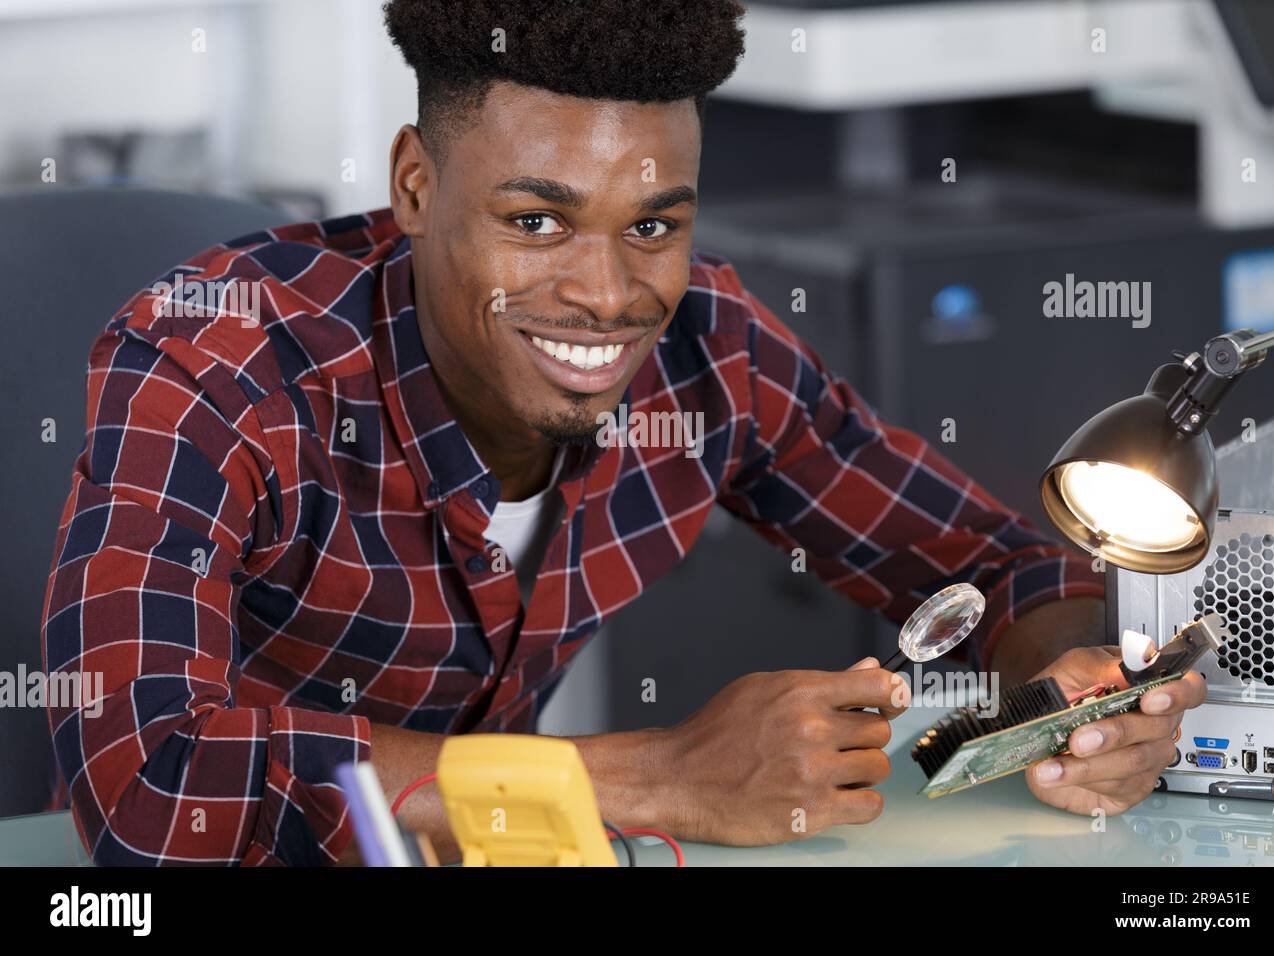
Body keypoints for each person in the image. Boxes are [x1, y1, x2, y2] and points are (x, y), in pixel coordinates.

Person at [40, 0, 1204, 865]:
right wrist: (659, 771)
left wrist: (1074, 695)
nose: (606, 293)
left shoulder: (712, 350)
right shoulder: (213, 360)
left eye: (653, 223)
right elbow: (152, 783)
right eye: (537, 218)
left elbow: (1000, 564)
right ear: (414, 186)